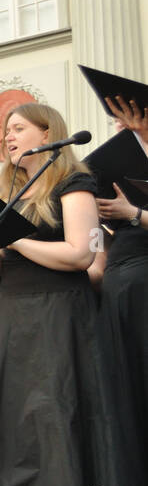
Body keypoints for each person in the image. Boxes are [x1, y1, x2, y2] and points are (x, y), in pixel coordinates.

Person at [0, 103, 146, 486]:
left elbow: (81, 255)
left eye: (19, 128)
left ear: (49, 132)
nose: (9, 137)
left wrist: (13, 238)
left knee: (58, 416)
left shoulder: (72, 182)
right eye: (6, 131)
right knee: (17, 423)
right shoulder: (10, 196)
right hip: (14, 313)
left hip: (60, 312)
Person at [96, 95, 148, 465]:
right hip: (118, 286)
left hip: (142, 285)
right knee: (124, 398)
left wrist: (134, 213)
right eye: (116, 124)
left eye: (129, 122)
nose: (121, 129)